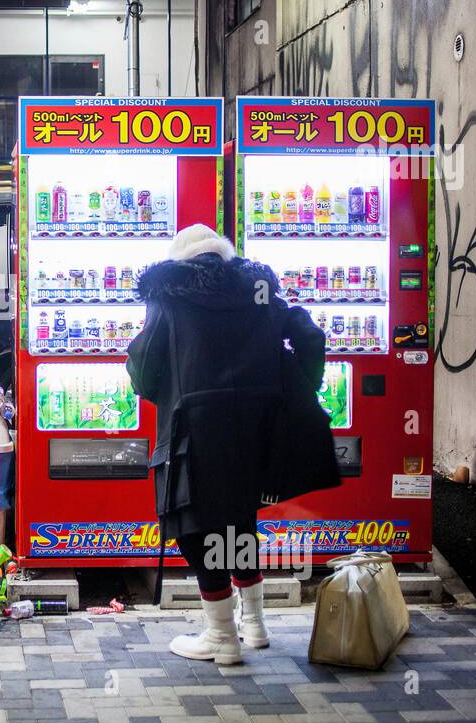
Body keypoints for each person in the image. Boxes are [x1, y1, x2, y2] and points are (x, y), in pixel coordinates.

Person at [126, 224, 328, 665]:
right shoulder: (259, 289)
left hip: (193, 427)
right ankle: (254, 624)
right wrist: (300, 388)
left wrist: (152, 386)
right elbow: (310, 337)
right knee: (239, 518)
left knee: (196, 528)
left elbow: (145, 361)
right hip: (257, 426)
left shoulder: (171, 293)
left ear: (182, 259)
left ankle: (221, 635)